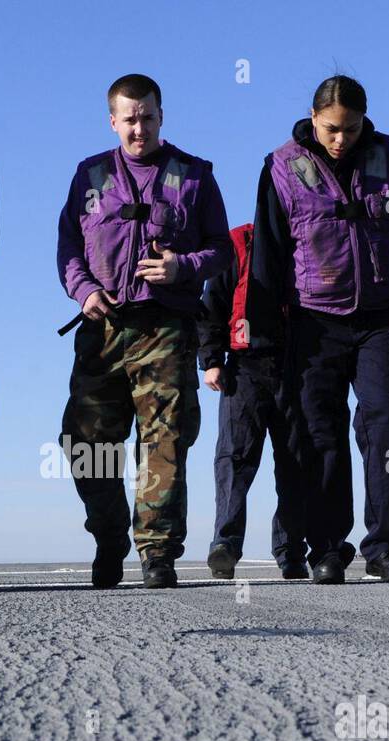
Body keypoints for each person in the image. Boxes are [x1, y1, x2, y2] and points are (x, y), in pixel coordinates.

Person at [248, 75, 389, 585]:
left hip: (378, 319)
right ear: (313, 119)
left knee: (386, 427)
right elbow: (268, 257)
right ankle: (327, 549)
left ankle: (382, 547)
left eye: (352, 129)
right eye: (332, 129)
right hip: (314, 322)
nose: (342, 139)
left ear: (365, 121)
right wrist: (265, 333)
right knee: (320, 434)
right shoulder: (281, 167)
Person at [57, 73, 229, 589]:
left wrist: (182, 267)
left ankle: (157, 553)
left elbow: (222, 250)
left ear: (161, 116)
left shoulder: (194, 175)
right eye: (129, 119)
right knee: (85, 442)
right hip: (101, 325)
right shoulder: (89, 176)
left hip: (166, 326)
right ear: (113, 121)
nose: (139, 129)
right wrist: (83, 289)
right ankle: (109, 535)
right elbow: (67, 246)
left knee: (164, 441)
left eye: (147, 118)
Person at [200, 222, 326, 580]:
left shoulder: (312, 241)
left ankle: (290, 551)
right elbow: (213, 305)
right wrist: (211, 361)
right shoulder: (238, 243)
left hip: (298, 369)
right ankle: (224, 545)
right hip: (245, 368)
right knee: (234, 460)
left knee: (296, 464)